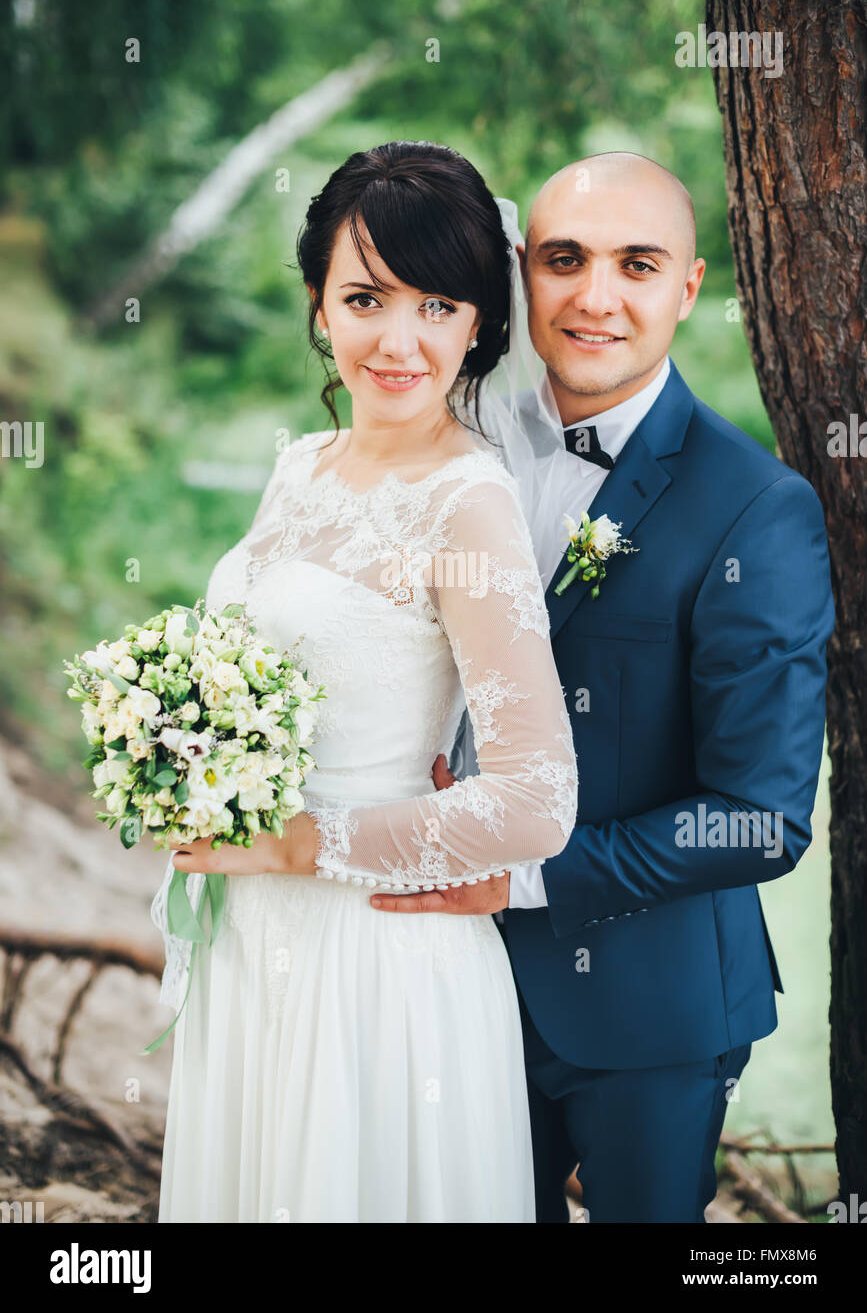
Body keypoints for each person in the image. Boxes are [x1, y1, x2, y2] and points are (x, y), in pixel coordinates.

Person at [374, 152, 835, 1223]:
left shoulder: (753, 508)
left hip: (648, 1014)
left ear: (687, 286)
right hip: (440, 975)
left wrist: (519, 879)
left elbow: (760, 820)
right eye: (565, 259)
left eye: (637, 264)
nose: (595, 296)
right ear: (521, 275)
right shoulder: (455, 449)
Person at [149, 140, 578, 1222]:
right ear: (317, 303)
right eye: (365, 296)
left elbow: (538, 798)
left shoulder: (468, 504)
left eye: (439, 304)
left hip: (376, 964)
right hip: (250, 940)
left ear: (482, 320)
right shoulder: (299, 465)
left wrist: (307, 842)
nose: (399, 339)